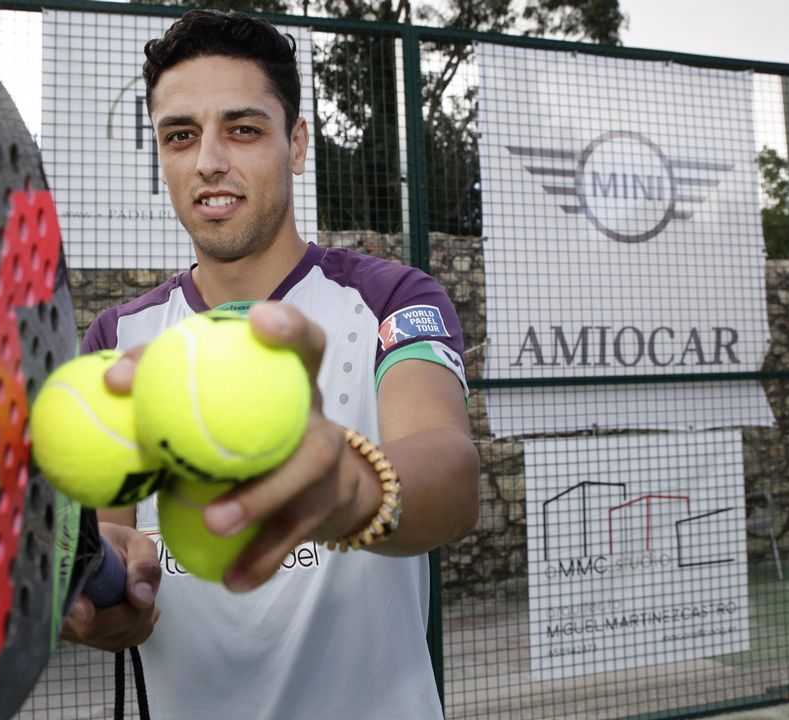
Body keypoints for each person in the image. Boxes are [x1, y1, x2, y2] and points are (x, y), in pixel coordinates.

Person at [64, 10, 479, 719]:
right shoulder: (116, 334)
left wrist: (348, 491)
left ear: (296, 144)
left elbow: (451, 471)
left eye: (243, 129)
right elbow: (110, 535)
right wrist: (104, 597)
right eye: (181, 135)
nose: (208, 161)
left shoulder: (391, 297)